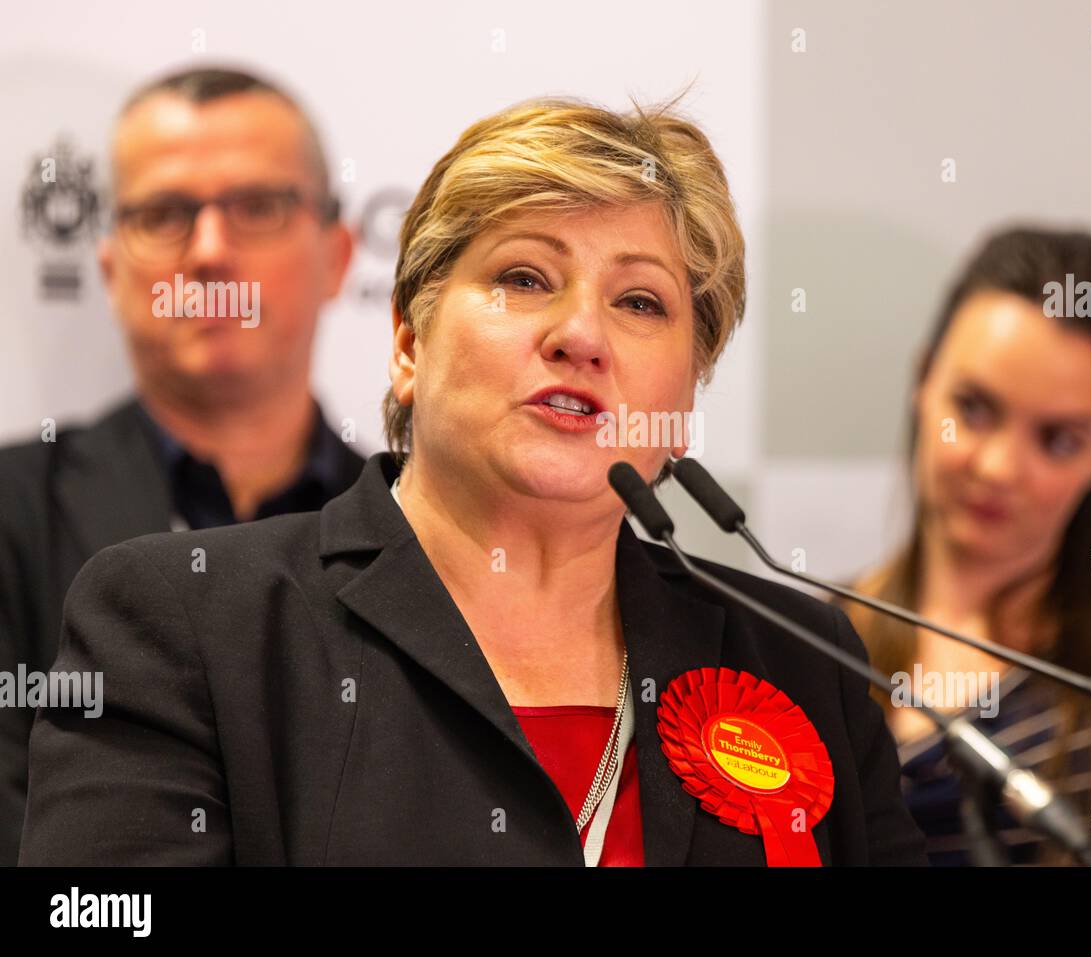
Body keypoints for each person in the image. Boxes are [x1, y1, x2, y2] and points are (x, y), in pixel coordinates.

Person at [19, 96, 927, 866]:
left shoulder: (806, 660)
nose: (582, 333)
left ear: (687, 391)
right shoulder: (187, 621)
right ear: (409, 344)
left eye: (640, 301)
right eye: (525, 277)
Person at [0, 66, 361, 865]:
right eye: (163, 213)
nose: (209, 252)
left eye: (258, 207)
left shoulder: (420, 523)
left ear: (338, 256)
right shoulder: (11, 516)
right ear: (108, 271)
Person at [840, 227, 1091, 865]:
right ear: (923, 383)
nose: (1002, 466)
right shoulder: (804, 642)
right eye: (974, 408)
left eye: (1060, 439)